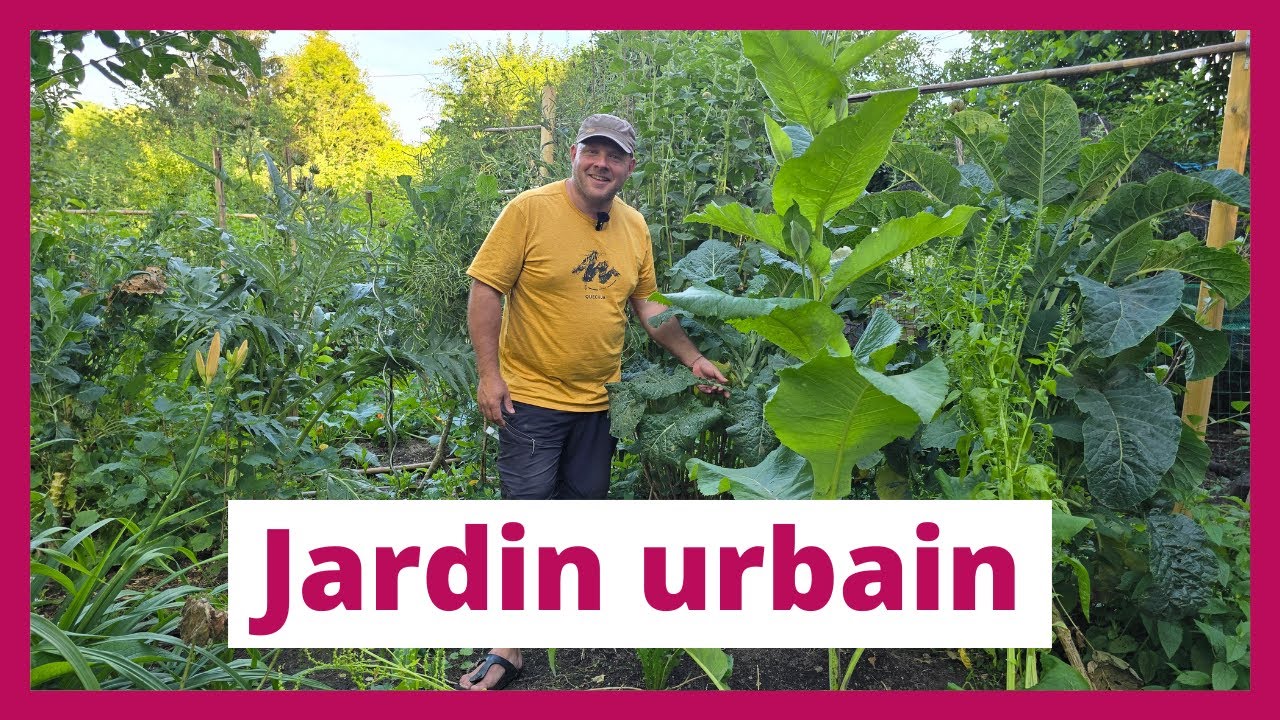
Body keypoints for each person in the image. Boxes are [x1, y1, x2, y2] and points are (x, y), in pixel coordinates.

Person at [457, 113, 727, 690]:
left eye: (616, 156)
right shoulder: (530, 210)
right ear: (575, 154)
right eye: (593, 152)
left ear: (630, 167)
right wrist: (489, 374)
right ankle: (509, 643)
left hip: (600, 400)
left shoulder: (634, 227)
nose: (602, 164)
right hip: (528, 394)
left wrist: (693, 358)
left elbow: (648, 307)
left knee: (582, 510)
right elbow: (486, 289)